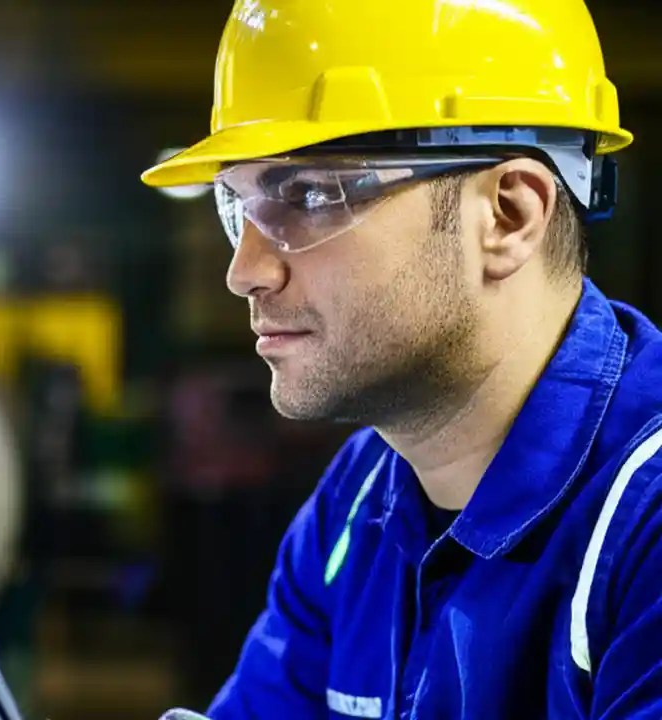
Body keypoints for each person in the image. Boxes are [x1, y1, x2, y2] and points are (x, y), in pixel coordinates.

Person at [141, 1, 662, 718]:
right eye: (240, 207)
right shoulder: (359, 502)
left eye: (310, 194)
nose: (245, 270)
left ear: (508, 215)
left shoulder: (644, 525)